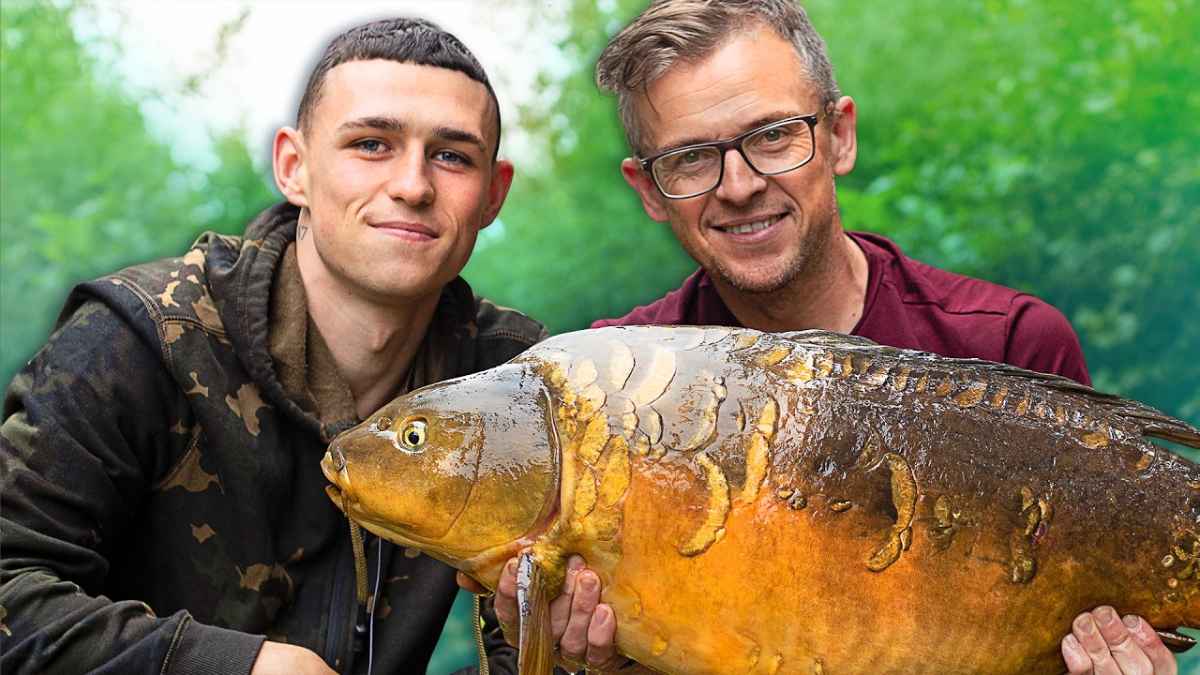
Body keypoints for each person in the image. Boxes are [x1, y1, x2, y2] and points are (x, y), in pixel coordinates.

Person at [481, 1, 1180, 673]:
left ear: (838, 134)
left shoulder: (1007, 343)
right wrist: (589, 664)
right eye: (692, 158)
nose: (740, 185)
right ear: (649, 190)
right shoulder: (603, 393)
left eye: (773, 136)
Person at [0, 17, 544, 675]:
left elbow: (541, 643)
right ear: (295, 167)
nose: (412, 185)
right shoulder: (138, 339)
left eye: (452, 155)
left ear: (493, 193)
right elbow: (10, 585)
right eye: (372, 144)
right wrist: (233, 667)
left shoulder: (519, 386)